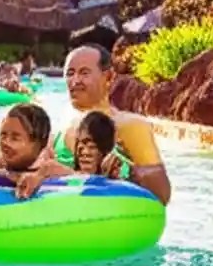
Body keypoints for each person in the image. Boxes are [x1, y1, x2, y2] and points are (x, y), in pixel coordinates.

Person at [51, 44, 172, 204]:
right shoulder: (61, 128)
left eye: (84, 73)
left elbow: (162, 195)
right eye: (70, 74)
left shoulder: (129, 126)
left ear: (108, 77)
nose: (75, 81)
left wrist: (127, 174)